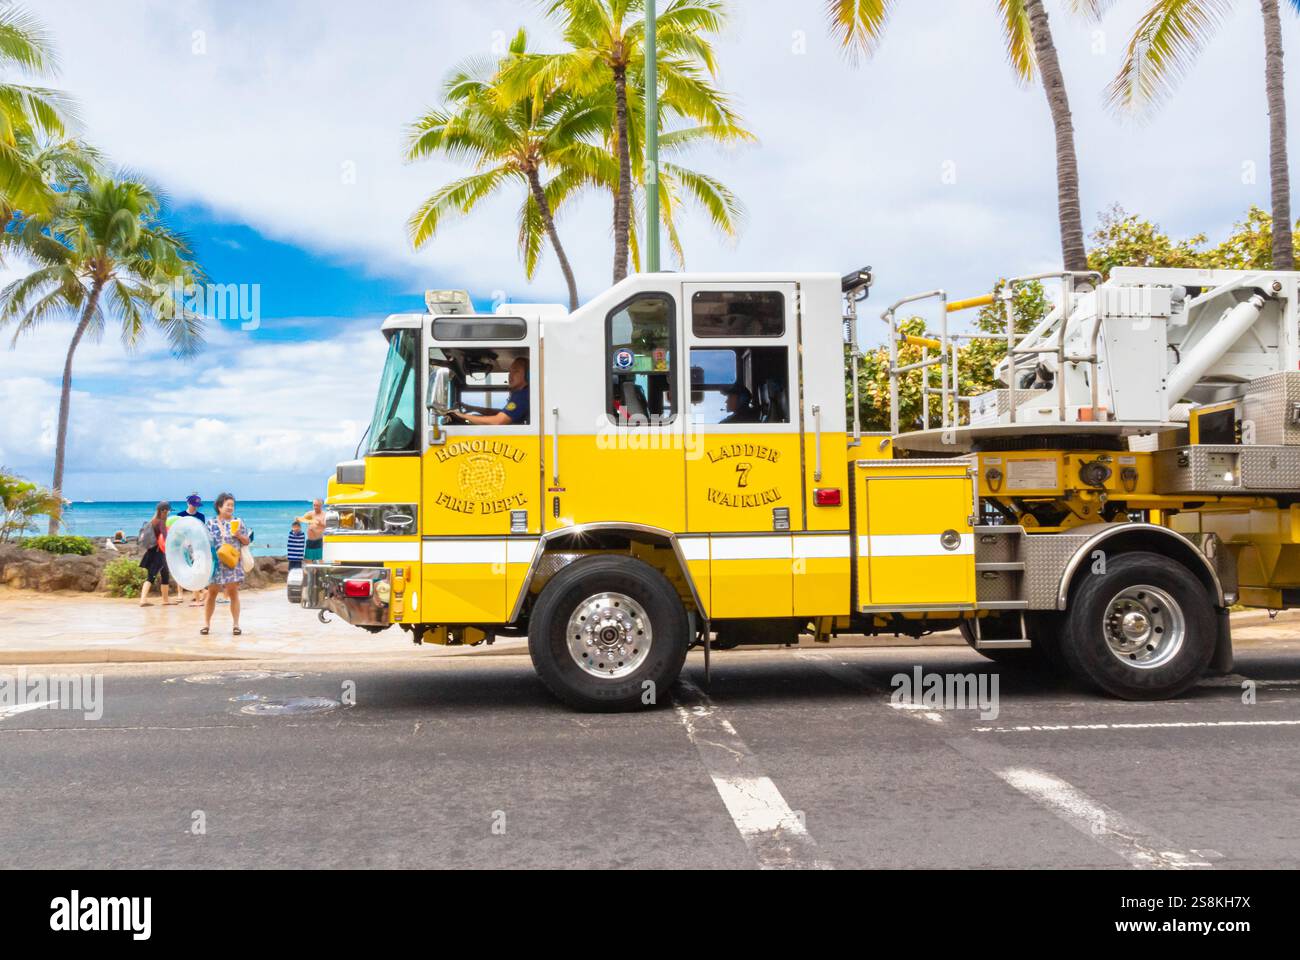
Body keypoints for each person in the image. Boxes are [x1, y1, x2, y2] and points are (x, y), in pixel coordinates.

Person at [202, 492, 251, 636]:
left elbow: (247, 541)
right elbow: (204, 542)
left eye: (232, 505)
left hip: (232, 563)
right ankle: (206, 624)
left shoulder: (239, 522)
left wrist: (239, 536)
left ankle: (236, 625)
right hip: (216, 564)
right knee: (211, 594)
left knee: (233, 593)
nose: (230, 508)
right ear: (219, 506)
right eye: (227, 505)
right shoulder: (210, 523)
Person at [449, 357, 529, 425]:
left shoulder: (523, 396)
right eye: (509, 371)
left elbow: (498, 421)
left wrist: (462, 416)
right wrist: (471, 408)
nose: (510, 375)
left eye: (516, 371)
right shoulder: (520, 394)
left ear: (528, 375)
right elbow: (501, 414)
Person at [138, 501, 177, 607]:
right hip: (157, 553)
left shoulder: (152, 521)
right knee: (151, 577)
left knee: (165, 574)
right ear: (164, 511)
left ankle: (165, 600)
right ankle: (143, 600)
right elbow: (166, 538)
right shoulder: (161, 522)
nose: (169, 513)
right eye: (168, 511)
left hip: (152, 552)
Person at [178, 494, 208, 606]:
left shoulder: (201, 516)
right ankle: (180, 594)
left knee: (196, 569)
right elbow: (178, 531)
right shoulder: (181, 515)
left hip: (197, 546)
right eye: (194, 505)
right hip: (184, 545)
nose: (196, 507)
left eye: (197, 505)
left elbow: (203, 531)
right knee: (182, 567)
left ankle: (197, 593)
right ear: (188, 503)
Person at [300, 499, 326, 565]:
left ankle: (322, 573)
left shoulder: (324, 515)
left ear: (321, 505)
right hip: (310, 541)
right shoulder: (310, 514)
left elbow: (327, 526)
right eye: (314, 505)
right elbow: (302, 519)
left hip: (319, 540)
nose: (315, 507)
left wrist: (320, 523)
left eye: (317, 505)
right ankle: (312, 574)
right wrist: (298, 520)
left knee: (320, 559)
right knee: (308, 559)